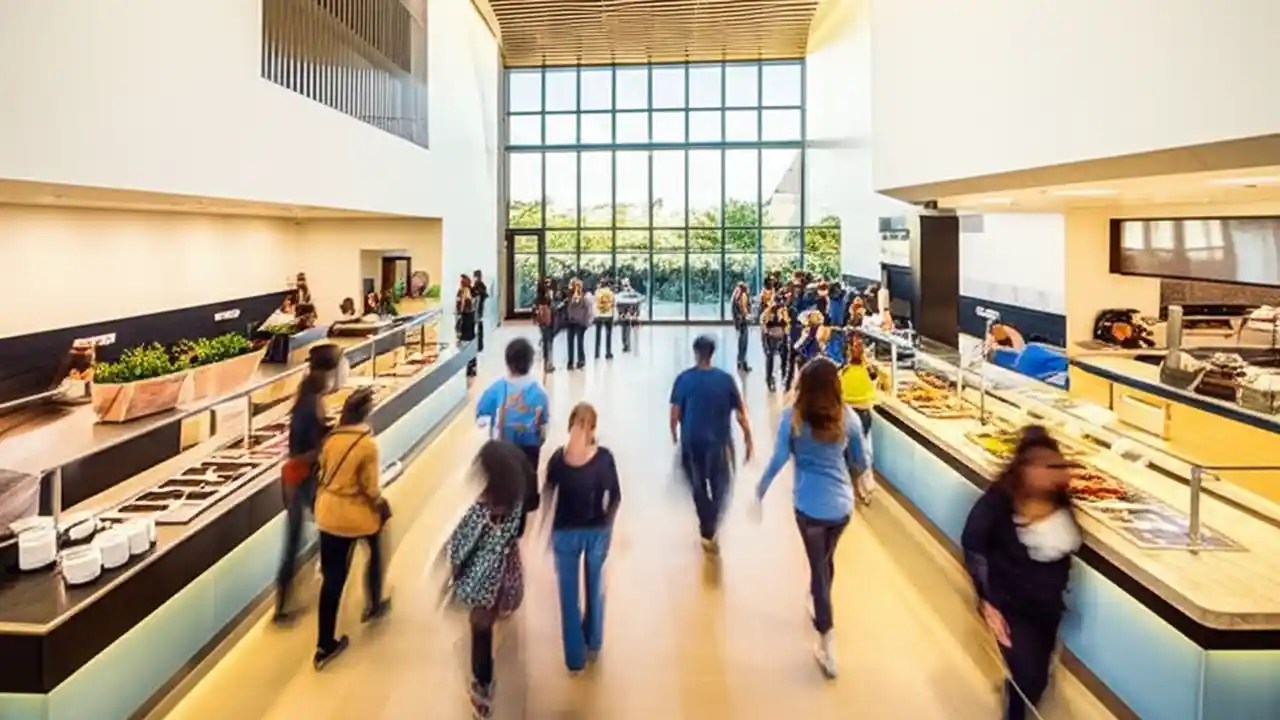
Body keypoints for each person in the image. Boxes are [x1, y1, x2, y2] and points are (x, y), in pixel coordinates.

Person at [754, 358, 869, 679]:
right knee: (825, 561)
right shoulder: (849, 418)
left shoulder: (792, 418)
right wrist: (863, 479)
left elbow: (778, 459)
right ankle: (816, 598)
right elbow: (860, 460)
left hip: (808, 508)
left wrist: (759, 490)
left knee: (819, 571)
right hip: (842, 509)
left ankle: (827, 641)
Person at [961, 426, 1080, 720]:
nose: (1053, 473)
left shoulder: (1060, 499)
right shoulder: (1000, 501)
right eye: (1045, 466)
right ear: (1024, 467)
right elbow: (972, 541)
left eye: (1056, 466)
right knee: (1026, 674)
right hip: (1010, 605)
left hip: (1048, 608)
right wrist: (986, 600)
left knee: (1037, 676)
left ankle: (1016, 695)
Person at [448, 440, 532, 720]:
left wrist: (454, 567)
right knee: (490, 616)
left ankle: (482, 689)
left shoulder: (481, 509)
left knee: (480, 630)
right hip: (506, 571)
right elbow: (514, 531)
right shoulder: (515, 500)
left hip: (481, 577)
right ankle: (484, 684)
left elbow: (462, 545)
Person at [313, 387, 390, 669]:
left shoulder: (331, 438)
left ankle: (324, 645)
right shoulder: (367, 444)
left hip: (327, 510)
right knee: (375, 550)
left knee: (331, 579)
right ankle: (374, 604)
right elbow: (369, 487)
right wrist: (381, 504)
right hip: (355, 513)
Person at [544, 403, 621, 673]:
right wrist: (608, 526)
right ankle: (592, 641)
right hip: (592, 531)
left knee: (574, 594)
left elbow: (548, 496)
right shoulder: (600, 459)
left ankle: (577, 656)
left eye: (581, 425)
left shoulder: (563, 459)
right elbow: (615, 497)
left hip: (570, 533)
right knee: (587, 589)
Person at [669, 335, 754, 553]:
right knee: (721, 485)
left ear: (695, 352)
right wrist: (748, 439)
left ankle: (705, 521)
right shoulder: (725, 380)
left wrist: (675, 434)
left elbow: (675, 414)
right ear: (712, 353)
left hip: (692, 441)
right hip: (719, 442)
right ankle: (712, 521)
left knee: (697, 484)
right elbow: (741, 414)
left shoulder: (684, 379)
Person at [275, 343, 339, 624]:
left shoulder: (311, 399)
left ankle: (286, 601)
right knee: (319, 531)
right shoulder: (309, 404)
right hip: (301, 479)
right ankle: (286, 603)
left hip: (300, 478)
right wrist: (328, 441)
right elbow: (304, 449)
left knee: (301, 536)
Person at [475, 338, 548, 525]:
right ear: (531, 363)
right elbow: (544, 423)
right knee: (525, 481)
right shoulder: (539, 392)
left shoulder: (498, 388)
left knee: (504, 482)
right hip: (530, 447)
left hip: (505, 445)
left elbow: (481, 413)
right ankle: (521, 518)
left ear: (508, 362)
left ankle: (502, 521)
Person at [839, 336, 878, 505]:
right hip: (863, 414)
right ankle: (863, 489)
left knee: (845, 452)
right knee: (863, 451)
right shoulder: (869, 371)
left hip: (846, 414)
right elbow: (875, 379)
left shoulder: (843, 371)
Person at [761, 294, 791, 393]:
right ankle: (769, 380)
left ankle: (783, 379)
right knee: (770, 358)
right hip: (770, 337)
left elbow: (786, 325)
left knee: (784, 357)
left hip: (781, 337)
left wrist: (781, 316)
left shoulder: (784, 311)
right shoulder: (768, 312)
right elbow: (765, 325)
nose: (779, 305)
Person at [563, 278, 591, 370]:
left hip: (577, 322)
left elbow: (586, 310)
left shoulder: (579, 297)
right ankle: (577, 361)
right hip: (574, 322)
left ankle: (576, 361)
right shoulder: (570, 297)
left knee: (575, 342)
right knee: (576, 342)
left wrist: (585, 322)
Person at [457, 275, 478, 378]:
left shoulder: (463, 292)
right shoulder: (471, 292)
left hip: (466, 319)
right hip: (470, 318)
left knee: (465, 341)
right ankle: (472, 366)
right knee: (470, 341)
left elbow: (461, 308)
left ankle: (468, 365)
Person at [534, 278, 557, 372]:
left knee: (545, 341)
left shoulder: (537, 298)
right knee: (549, 342)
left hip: (542, 322)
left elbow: (535, 310)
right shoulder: (548, 297)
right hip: (548, 321)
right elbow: (553, 308)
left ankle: (546, 362)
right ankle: (548, 363)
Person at [730, 281, 753, 372]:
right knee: (743, 344)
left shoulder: (735, 297)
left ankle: (740, 363)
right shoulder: (742, 296)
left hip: (738, 324)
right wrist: (748, 316)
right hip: (743, 323)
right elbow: (744, 310)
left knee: (741, 344)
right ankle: (743, 364)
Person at [592, 278, 616, 360]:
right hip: (608, 315)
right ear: (608, 284)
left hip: (599, 315)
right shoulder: (611, 293)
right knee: (608, 335)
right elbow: (613, 304)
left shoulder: (597, 292)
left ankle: (597, 353)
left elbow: (595, 303)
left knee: (597, 335)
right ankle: (608, 353)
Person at [473, 269, 490, 352]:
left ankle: (479, 346)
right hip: (479, 309)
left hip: (477, 309)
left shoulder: (478, 284)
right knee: (479, 326)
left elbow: (483, 294)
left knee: (478, 327)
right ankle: (479, 345)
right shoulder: (480, 284)